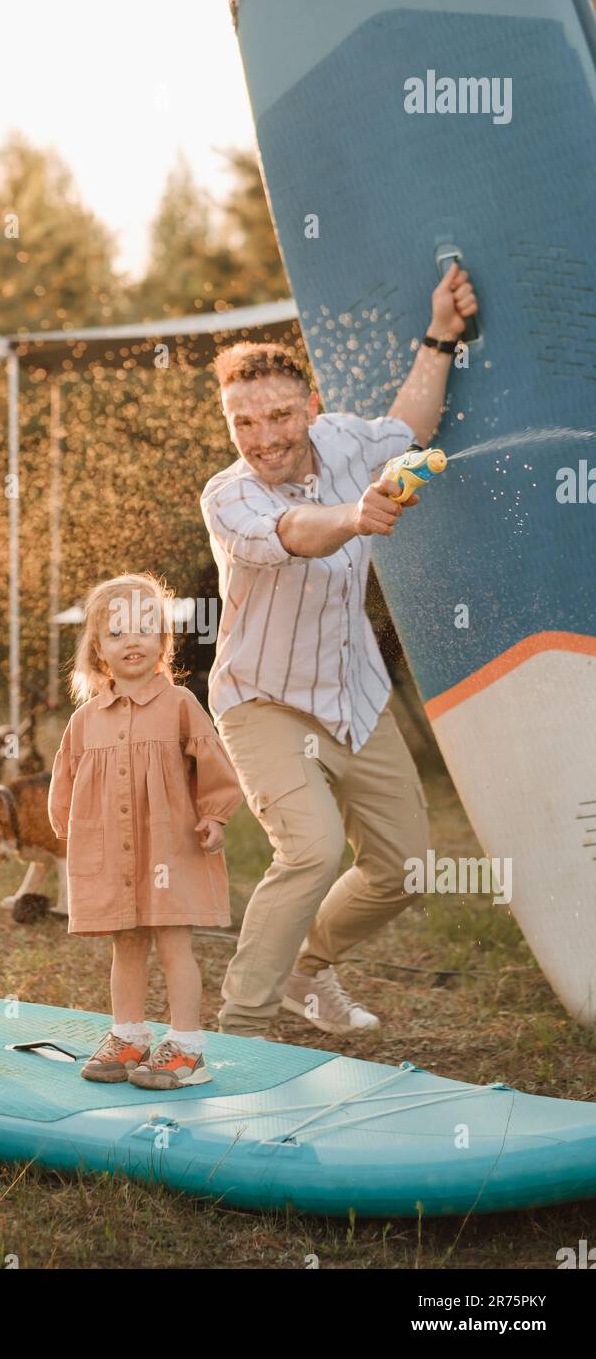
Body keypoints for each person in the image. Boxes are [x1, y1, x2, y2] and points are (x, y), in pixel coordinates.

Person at [201, 263, 478, 1039]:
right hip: (263, 701)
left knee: (405, 867)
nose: (263, 438)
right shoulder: (229, 495)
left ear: (311, 409)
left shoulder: (349, 441)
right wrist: (355, 518)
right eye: (244, 425)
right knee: (314, 851)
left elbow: (409, 427)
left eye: (279, 417)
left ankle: (304, 972)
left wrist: (440, 337)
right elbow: (294, 534)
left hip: (354, 690)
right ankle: (244, 1026)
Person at [47, 572, 243, 1088]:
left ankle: (186, 1047)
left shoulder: (180, 705)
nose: (131, 640)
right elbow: (64, 777)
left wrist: (215, 815)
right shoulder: (86, 719)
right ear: (97, 650)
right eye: (116, 633)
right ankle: (129, 1034)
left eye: (144, 629)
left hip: (171, 849)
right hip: (113, 853)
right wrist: (67, 823)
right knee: (126, 945)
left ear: (162, 640)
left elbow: (214, 765)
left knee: (175, 944)